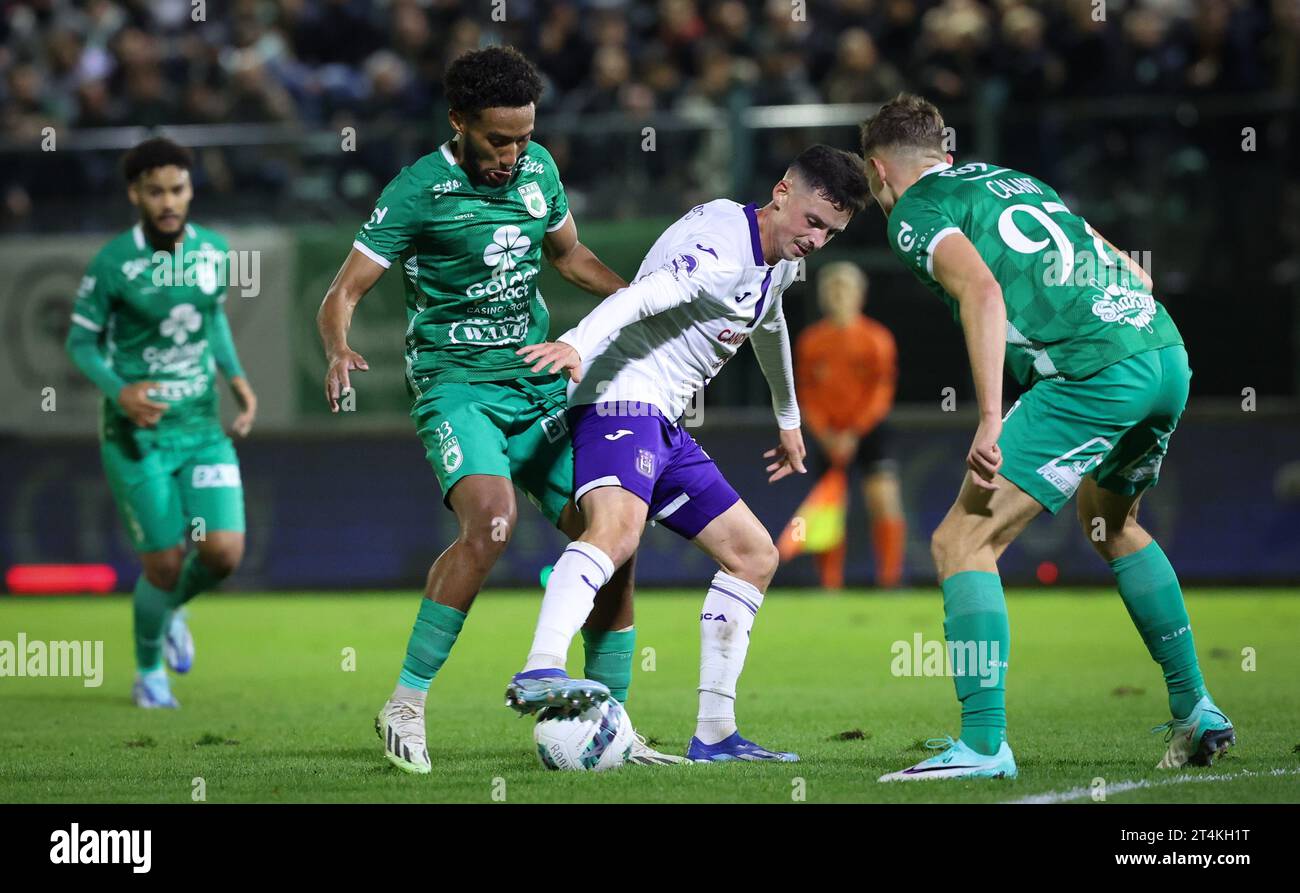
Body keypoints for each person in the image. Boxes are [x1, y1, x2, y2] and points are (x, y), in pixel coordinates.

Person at [317, 46, 681, 773]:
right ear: (458, 122)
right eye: (498, 139)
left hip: (535, 382)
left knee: (616, 539)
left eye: (524, 136)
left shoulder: (540, 170)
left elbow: (570, 258)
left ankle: (614, 722)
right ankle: (407, 703)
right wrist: (337, 346)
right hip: (458, 389)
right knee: (491, 522)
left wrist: (636, 304)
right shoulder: (419, 189)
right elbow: (344, 291)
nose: (514, 153)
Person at [860, 94, 1233, 780]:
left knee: (960, 540)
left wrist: (991, 417)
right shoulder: (1018, 181)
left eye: (872, 183)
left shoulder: (915, 210)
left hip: (1091, 370)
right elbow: (1135, 273)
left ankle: (981, 743)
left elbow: (982, 293)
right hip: (1161, 351)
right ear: (946, 153)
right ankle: (1196, 708)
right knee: (1110, 523)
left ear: (880, 170)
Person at [505, 145, 871, 762]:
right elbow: (642, 297)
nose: (817, 239)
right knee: (615, 535)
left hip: (662, 418)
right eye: (813, 221)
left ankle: (716, 733)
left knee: (754, 555)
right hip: (619, 401)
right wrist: (573, 342)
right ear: (783, 190)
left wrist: (788, 419)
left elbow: (772, 323)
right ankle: (541, 666)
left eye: (832, 233)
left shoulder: (776, 255)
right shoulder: (721, 248)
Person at [66, 137, 256, 709]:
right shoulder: (113, 263)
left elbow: (211, 320)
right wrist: (119, 393)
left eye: (177, 189)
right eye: (155, 191)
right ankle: (149, 673)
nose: (168, 201)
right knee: (167, 561)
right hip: (138, 435)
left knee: (223, 552)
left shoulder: (214, 251)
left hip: (200, 427)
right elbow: (81, 343)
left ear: (190, 189)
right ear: (135, 195)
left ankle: (169, 609)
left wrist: (237, 379)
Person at [793, 261, 906, 589]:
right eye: (832, 288)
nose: (838, 294)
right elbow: (806, 394)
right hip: (827, 435)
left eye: (845, 288)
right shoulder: (811, 341)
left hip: (867, 433)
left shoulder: (877, 339)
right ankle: (829, 585)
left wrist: (854, 432)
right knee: (828, 510)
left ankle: (890, 581)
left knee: (884, 499)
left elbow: (881, 393)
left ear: (860, 295)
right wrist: (826, 433)